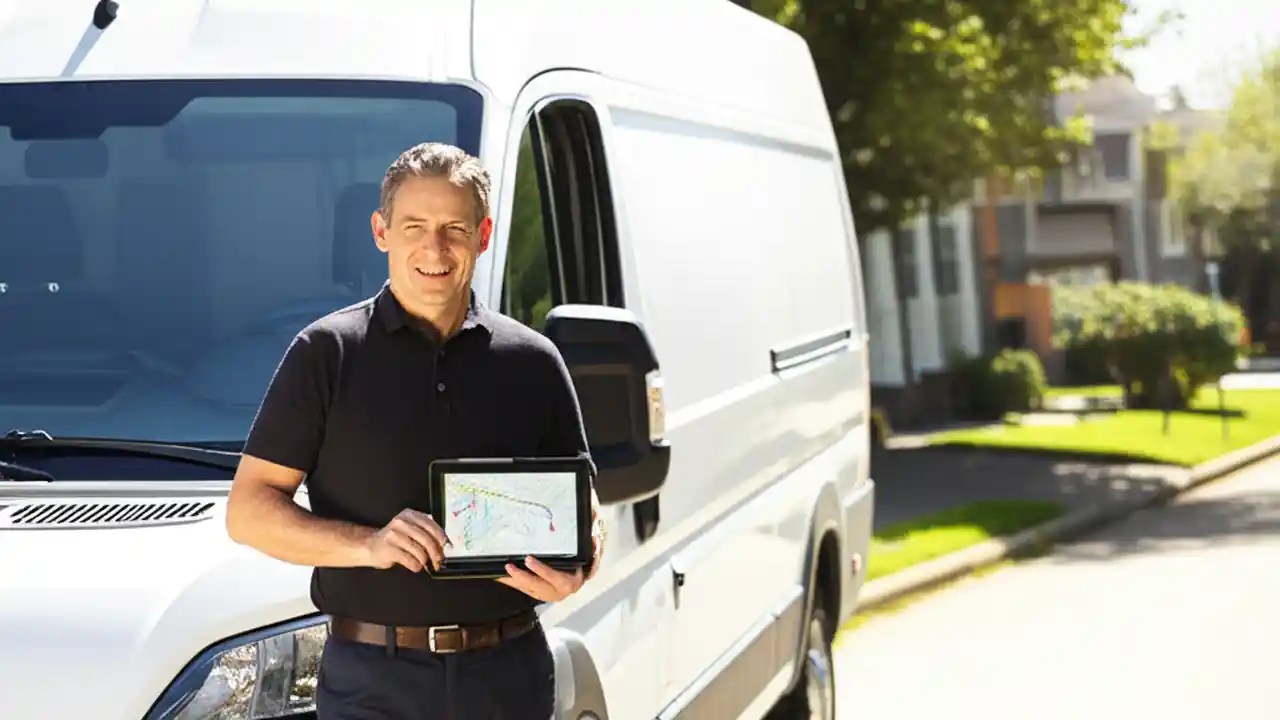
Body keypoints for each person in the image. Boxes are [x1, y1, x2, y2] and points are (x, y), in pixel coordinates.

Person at [225, 142, 602, 720]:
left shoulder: (534, 362)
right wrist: (370, 545)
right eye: (415, 226)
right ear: (382, 231)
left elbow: (584, 512)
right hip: (372, 681)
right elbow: (248, 511)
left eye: (454, 227)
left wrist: (578, 570)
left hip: (510, 676)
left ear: (483, 235)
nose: (435, 248)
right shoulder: (327, 353)